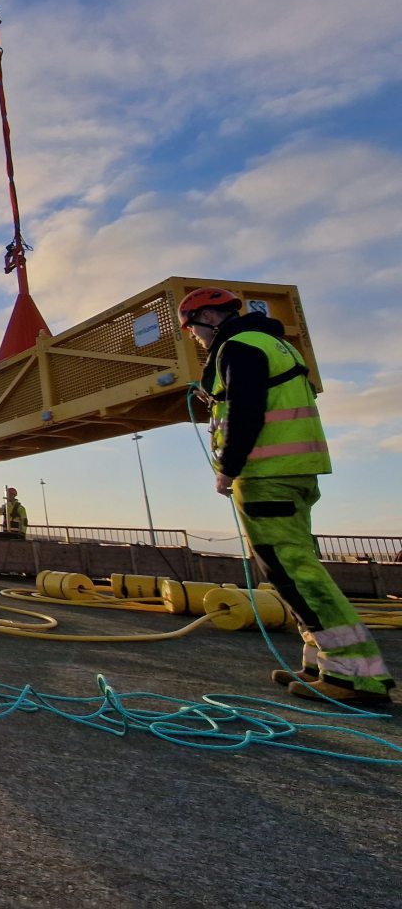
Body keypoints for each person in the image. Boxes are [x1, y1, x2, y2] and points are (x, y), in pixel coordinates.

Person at [179, 286, 393, 706]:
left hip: (267, 476)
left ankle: (356, 679)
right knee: (288, 571)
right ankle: (319, 665)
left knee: (297, 573)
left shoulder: (236, 348)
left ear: (208, 316)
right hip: (295, 473)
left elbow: (246, 412)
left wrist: (228, 468)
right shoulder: (276, 345)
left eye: (193, 331)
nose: (196, 339)